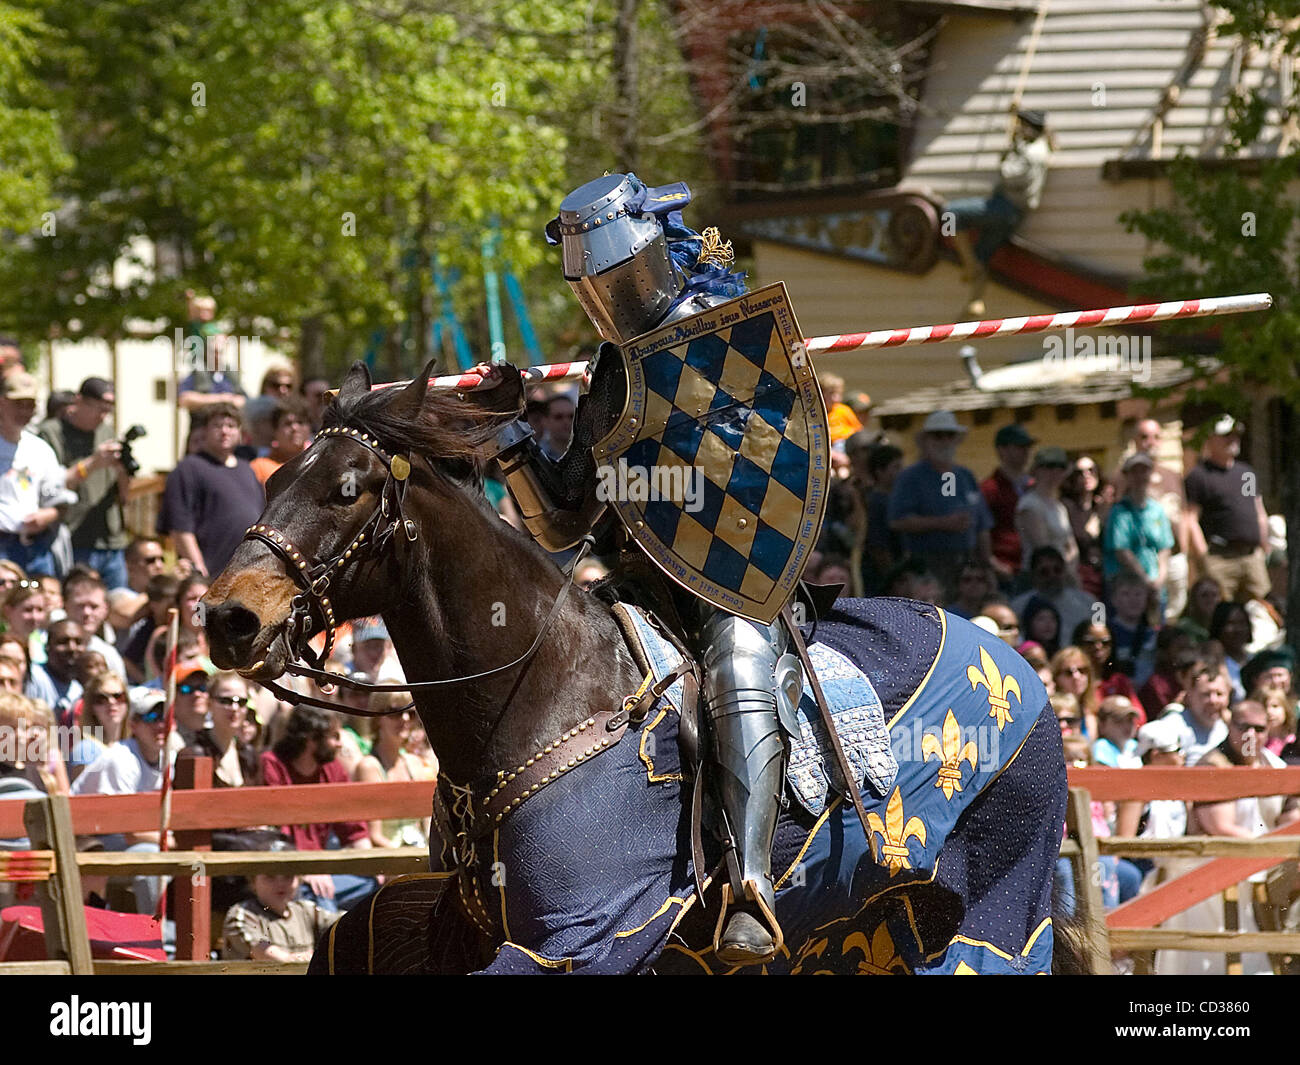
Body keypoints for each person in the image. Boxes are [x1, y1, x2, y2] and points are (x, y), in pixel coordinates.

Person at [258, 705, 374, 911]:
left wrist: (375, 866)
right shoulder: (273, 764)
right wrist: (306, 870)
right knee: (321, 898)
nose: (340, 744)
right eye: (334, 737)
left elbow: (353, 829)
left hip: (323, 870)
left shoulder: (333, 768)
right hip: (288, 871)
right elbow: (278, 832)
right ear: (312, 739)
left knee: (375, 887)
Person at [70, 687, 169, 915]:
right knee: (150, 858)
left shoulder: (170, 758)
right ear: (133, 725)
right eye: (151, 717)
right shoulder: (121, 759)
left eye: (164, 717)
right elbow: (130, 833)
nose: (160, 725)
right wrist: (175, 840)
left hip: (127, 839)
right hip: (86, 842)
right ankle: (154, 938)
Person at [946, 108, 1054, 316]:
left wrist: (1007, 154)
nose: (1020, 129)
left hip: (1004, 207)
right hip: (1014, 214)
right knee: (983, 254)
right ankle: (975, 300)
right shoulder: (1039, 148)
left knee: (950, 214)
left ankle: (968, 265)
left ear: (1032, 129)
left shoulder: (1032, 153)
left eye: (1024, 126)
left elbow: (1009, 175)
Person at [35, 377, 130, 589]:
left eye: (108, 410)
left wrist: (124, 469)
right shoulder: (51, 433)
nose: (103, 416)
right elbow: (51, 487)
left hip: (110, 541)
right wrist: (93, 463)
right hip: (74, 539)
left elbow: (123, 494)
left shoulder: (107, 432)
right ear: (79, 401)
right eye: (98, 409)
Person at [888, 410, 994, 600]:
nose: (944, 441)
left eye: (949, 435)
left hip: (967, 564)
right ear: (926, 441)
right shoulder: (911, 477)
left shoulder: (964, 476)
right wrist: (943, 523)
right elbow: (898, 520)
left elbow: (982, 525)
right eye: (938, 435)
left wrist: (986, 564)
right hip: (926, 562)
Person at [158, 403, 264, 577]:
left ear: (239, 432)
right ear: (205, 431)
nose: (224, 431)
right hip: (211, 576)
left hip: (249, 577)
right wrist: (199, 570)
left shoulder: (248, 470)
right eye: (217, 426)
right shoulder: (188, 469)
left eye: (230, 426)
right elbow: (180, 527)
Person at [0, 371, 87, 577]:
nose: (24, 410)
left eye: (30, 404)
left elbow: (58, 498)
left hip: (35, 547)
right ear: (2, 403)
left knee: (41, 606)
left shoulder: (39, 449)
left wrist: (48, 515)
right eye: (18, 403)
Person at [1184, 415, 1271, 604]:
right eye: (1226, 435)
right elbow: (1191, 520)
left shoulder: (1246, 473)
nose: (1233, 440)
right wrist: (1204, 558)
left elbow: (1258, 511)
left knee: (1265, 609)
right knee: (1220, 611)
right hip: (1220, 558)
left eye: (1236, 435)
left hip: (1251, 556)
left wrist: (1264, 546)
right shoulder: (1199, 476)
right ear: (1211, 439)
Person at [221, 839, 341, 962]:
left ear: (298, 880)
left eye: (288, 876)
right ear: (253, 882)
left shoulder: (305, 910)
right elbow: (261, 950)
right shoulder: (242, 914)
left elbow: (341, 923)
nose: (280, 883)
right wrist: (292, 958)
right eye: (270, 876)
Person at [354, 693, 436, 848]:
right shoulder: (370, 767)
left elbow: (427, 825)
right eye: (396, 712)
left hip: (419, 851)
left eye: (410, 713)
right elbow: (375, 836)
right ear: (378, 719)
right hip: (388, 857)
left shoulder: (415, 763)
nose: (405, 719)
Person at [1103, 452, 1174, 619]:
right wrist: (1145, 580)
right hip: (1126, 587)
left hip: (1154, 587)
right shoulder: (1119, 511)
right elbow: (1122, 551)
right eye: (1134, 472)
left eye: (1144, 471)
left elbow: (1165, 547)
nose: (1140, 476)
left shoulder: (1156, 510)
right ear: (1127, 476)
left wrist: (1159, 579)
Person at [981, 423, 1035, 587]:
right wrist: (993, 564)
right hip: (1005, 570)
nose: (1025, 451)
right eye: (1019, 446)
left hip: (1035, 569)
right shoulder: (989, 489)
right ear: (1002, 450)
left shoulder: (1033, 486)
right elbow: (983, 531)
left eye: (1027, 446)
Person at [184, 670, 259, 788]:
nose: (235, 708)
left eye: (241, 702)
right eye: (226, 701)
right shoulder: (193, 754)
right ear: (209, 704)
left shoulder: (250, 754)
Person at [1014, 446, 1078, 581]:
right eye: (1048, 467)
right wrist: (1067, 573)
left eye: (1060, 467)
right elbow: (1043, 548)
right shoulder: (1029, 504)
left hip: (1063, 576)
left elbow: (1072, 547)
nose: (1054, 472)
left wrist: (1071, 571)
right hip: (1038, 578)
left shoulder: (1059, 507)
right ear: (1036, 470)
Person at [1010, 545, 1095, 641]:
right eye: (1044, 572)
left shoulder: (1087, 602)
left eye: (1057, 570)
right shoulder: (1019, 607)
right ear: (1033, 576)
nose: (1052, 576)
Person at [61, 567, 128, 681]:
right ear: (65, 606)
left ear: (105, 610)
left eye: (94, 607)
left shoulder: (109, 655)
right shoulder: (43, 644)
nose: (87, 612)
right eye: (80, 606)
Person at [1163, 658, 1231, 766]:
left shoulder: (1233, 728)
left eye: (1219, 694)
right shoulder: (1171, 726)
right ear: (1190, 695)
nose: (1213, 701)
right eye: (1206, 694)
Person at [67, 670, 129, 783]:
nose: (111, 702)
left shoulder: (134, 746)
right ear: (91, 707)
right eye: (101, 699)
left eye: (118, 696)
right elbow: (82, 798)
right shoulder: (85, 750)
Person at [1061, 455, 1107, 599]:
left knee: (1102, 617)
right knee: (1090, 615)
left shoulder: (1102, 506)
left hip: (1105, 575)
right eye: (1080, 472)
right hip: (1082, 575)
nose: (1087, 475)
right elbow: (1081, 537)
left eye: (1091, 470)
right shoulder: (1067, 507)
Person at [862, 442, 904, 594]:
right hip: (880, 578)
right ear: (880, 471)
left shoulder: (895, 499)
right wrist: (893, 578)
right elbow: (878, 546)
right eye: (896, 467)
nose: (901, 472)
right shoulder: (877, 502)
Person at [29, 618, 86, 727]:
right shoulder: (34, 676)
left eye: (78, 642)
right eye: (63, 642)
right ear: (47, 648)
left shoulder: (77, 689)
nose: (72, 648)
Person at [1072, 619, 1140, 709]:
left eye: (1105, 643)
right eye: (1090, 642)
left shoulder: (1119, 681)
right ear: (1078, 644)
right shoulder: (1072, 678)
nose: (1098, 647)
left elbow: (1139, 716)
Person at [1107, 571, 1158, 688]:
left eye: (1138, 594)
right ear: (1114, 599)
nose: (1133, 600)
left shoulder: (1153, 633)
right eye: (1125, 594)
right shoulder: (1107, 632)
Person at [1136, 625, 1195, 720]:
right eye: (1180, 649)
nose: (1186, 653)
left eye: (1189, 648)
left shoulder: (1195, 677)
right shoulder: (1157, 685)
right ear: (1164, 653)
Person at [249, 399, 310, 485]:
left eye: (300, 422)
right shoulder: (259, 468)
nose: (295, 428)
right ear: (275, 431)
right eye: (288, 423)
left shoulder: (322, 463)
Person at [1050, 645, 1099, 739]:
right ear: (1056, 677)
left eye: (1082, 670)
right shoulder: (1050, 711)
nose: (1076, 676)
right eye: (1069, 672)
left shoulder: (1090, 712)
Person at [1208, 600, 1253, 701]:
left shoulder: (1254, 659)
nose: (1238, 629)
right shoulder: (1213, 660)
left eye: (1242, 623)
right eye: (1231, 623)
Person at [1092, 695, 1141, 767]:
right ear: (1102, 725)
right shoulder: (1101, 747)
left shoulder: (1135, 745)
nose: (1126, 726)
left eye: (1130, 720)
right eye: (1119, 721)